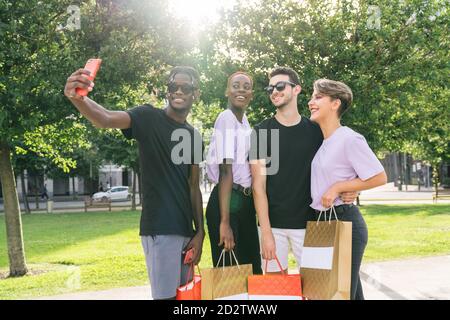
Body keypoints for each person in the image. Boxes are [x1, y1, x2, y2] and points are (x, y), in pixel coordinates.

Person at [64, 65, 204, 300]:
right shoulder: (148, 117)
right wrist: (77, 97)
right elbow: (105, 118)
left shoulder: (193, 136)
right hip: (160, 229)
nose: (178, 91)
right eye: (173, 86)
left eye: (185, 87)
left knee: (186, 301)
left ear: (195, 93)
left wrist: (200, 232)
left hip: (185, 232)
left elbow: (193, 187)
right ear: (167, 92)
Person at [250, 67, 358, 274]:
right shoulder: (260, 132)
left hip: (313, 224)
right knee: (275, 292)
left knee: (317, 290)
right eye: (270, 88)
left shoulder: (316, 130)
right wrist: (265, 232)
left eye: (280, 86)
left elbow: (340, 165)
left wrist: (352, 188)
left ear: (296, 89)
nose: (274, 91)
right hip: (274, 227)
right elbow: (258, 187)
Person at [308, 78, 387, 300]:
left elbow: (379, 176)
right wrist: (348, 186)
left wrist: (339, 187)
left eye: (318, 97)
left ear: (335, 103)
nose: (311, 102)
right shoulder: (325, 141)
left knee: (336, 295)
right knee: (343, 293)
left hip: (345, 224)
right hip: (324, 223)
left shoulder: (349, 138)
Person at [205, 71, 262, 274]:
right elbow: (225, 171)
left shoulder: (244, 121)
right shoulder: (226, 118)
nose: (241, 90)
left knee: (253, 272)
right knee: (231, 278)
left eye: (246, 87)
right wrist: (225, 221)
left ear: (251, 94)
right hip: (228, 203)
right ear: (227, 92)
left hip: (244, 204)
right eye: (236, 85)